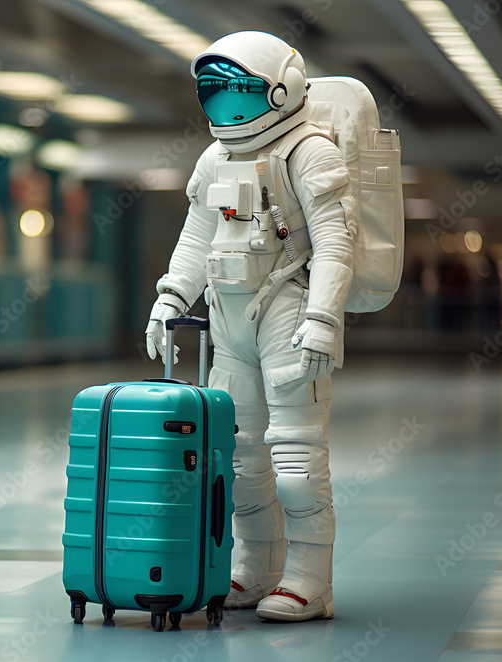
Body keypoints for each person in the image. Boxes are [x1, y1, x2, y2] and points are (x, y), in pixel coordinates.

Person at [146, 31, 355, 621]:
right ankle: (256, 568)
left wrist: (321, 319)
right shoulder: (216, 156)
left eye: (240, 94)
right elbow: (198, 236)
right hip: (229, 321)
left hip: (287, 312)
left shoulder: (310, 151)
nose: (226, 109)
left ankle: (312, 581)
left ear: (282, 91)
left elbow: (338, 243)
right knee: (236, 460)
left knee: (295, 456)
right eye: (215, 96)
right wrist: (171, 297)